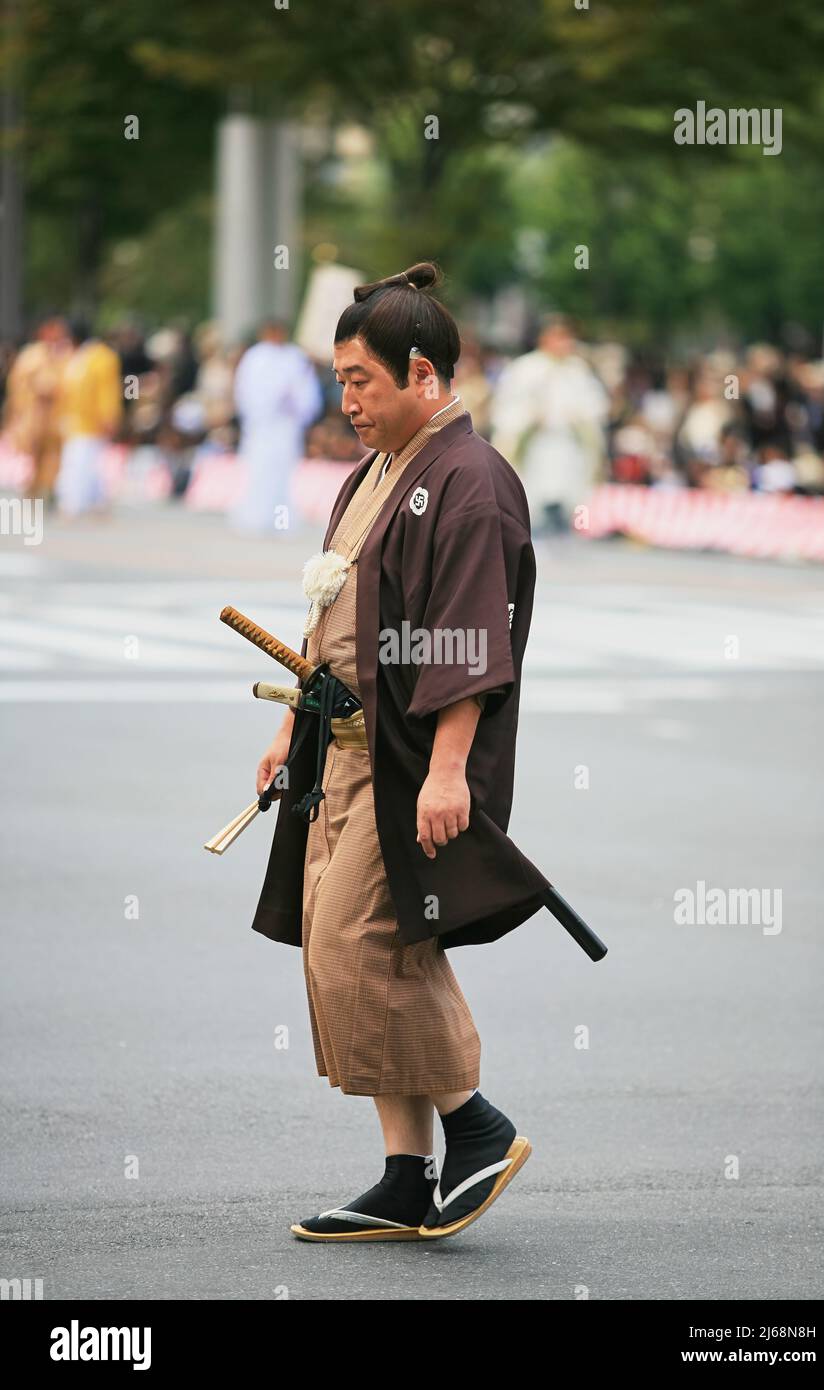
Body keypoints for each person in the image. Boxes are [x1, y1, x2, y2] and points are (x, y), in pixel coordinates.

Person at [251, 261, 547, 1241]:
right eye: (338, 380)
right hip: (340, 750)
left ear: (422, 373)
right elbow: (327, 618)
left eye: (359, 381)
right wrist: (288, 731)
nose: (346, 401)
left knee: (359, 943)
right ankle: (402, 1172)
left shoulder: (469, 480)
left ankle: (474, 1124)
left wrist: (451, 766)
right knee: (378, 947)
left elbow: (469, 637)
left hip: (408, 758)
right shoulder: (371, 472)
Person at [489, 313, 609, 534]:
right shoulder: (525, 368)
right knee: (533, 493)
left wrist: (578, 418)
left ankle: (566, 524)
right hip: (535, 442)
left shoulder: (578, 370)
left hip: (568, 443)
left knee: (567, 490)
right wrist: (530, 417)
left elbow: (595, 407)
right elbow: (507, 406)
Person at [230, 319, 322, 533]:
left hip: (287, 425)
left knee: (284, 476)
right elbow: (246, 391)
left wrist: (296, 402)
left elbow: (307, 392)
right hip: (261, 426)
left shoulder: (294, 357)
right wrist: (270, 401)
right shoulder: (255, 357)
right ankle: (254, 519)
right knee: (258, 472)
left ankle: (281, 522)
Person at [54, 319, 123, 516]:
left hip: (92, 422)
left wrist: (109, 416)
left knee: (82, 463)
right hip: (74, 421)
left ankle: (75, 504)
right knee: (85, 463)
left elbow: (108, 390)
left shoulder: (102, 357)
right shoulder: (75, 357)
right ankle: (93, 502)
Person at [3, 316, 71, 502]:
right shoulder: (32, 355)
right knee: (32, 458)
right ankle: (32, 492)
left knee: (52, 458)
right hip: (32, 418)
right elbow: (24, 385)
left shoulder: (62, 354)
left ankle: (47, 492)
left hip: (55, 419)